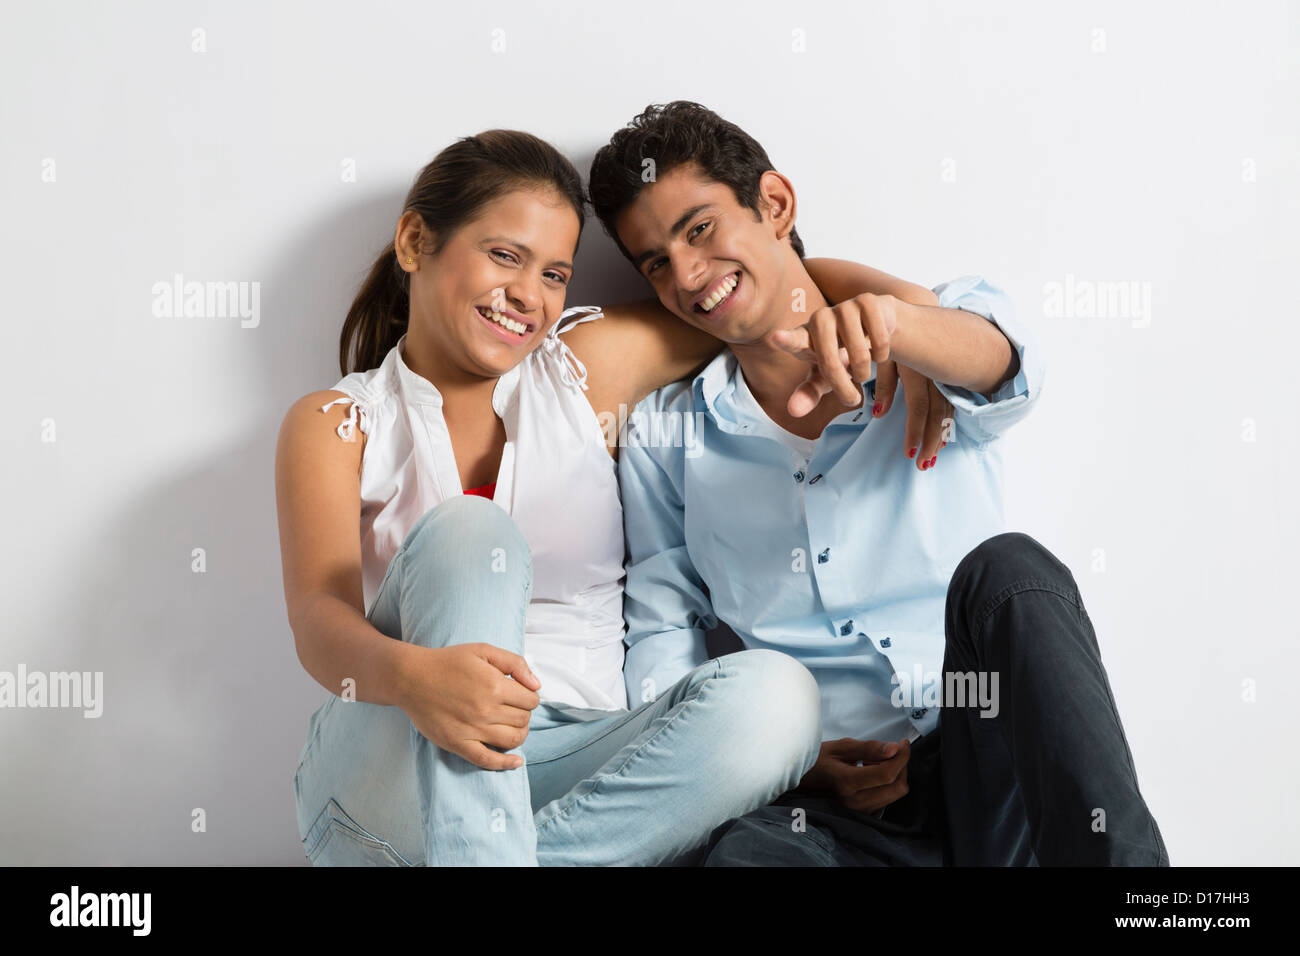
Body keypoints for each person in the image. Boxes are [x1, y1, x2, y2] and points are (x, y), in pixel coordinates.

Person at [275, 129, 948, 866]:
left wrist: (911, 321)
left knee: (781, 700)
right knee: (473, 534)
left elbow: (757, 295)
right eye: (505, 255)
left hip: (576, 771)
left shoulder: (584, 370)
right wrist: (417, 680)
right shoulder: (337, 424)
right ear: (414, 241)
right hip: (389, 768)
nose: (528, 296)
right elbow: (318, 622)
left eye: (556, 274)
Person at [589, 101, 1169, 866]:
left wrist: (904, 329)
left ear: (775, 204)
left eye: (699, 230)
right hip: (826, 811)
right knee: (740, 856)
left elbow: (1007, 366)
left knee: (1012, 572)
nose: (688, 276)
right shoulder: (671, 437)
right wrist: (785, 761)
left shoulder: (930, 345)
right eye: (657, 262)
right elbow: (662, 640)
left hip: (985, 763)